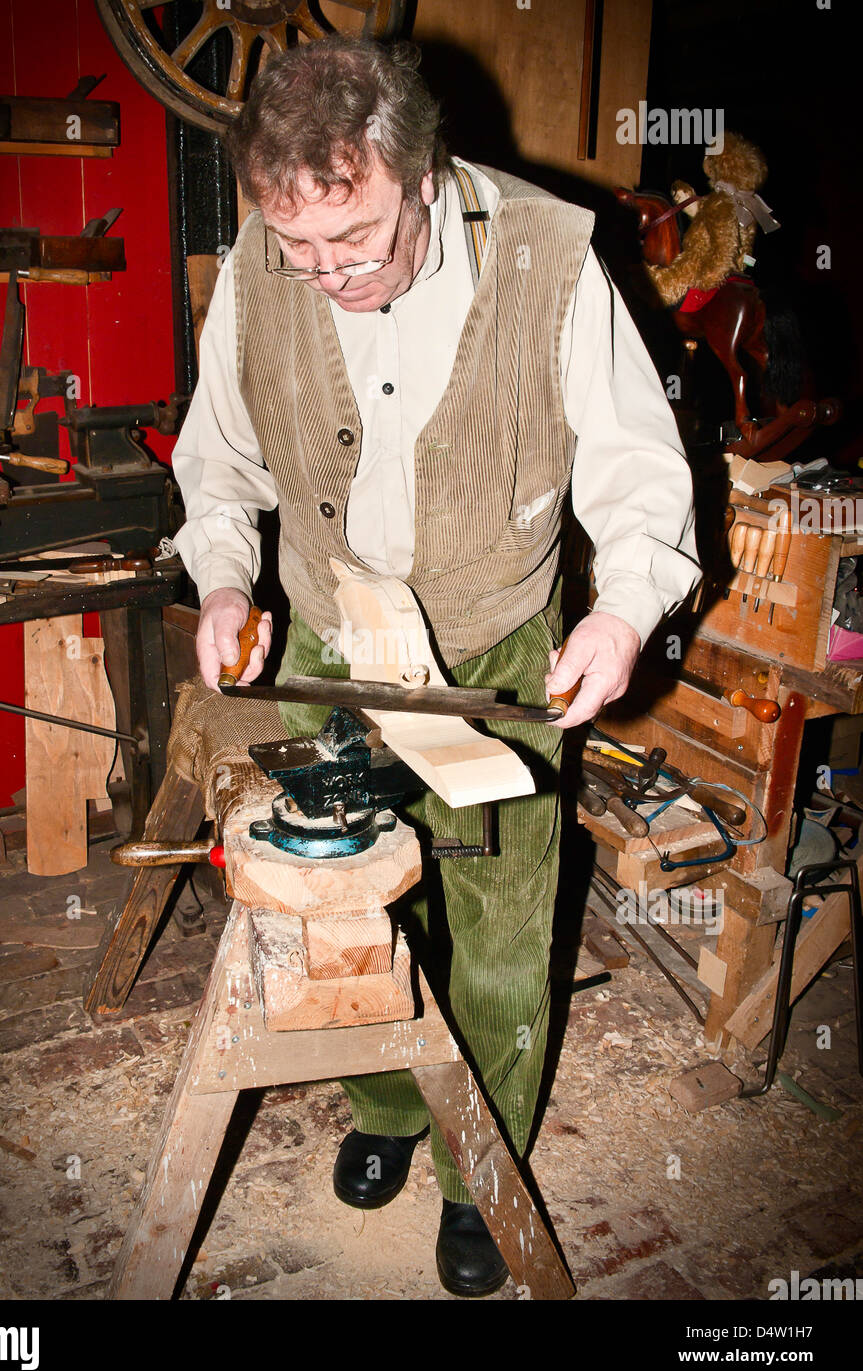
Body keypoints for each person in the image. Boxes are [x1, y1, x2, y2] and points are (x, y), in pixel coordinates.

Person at [172, 35, 699, 1297]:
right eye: (299, 249)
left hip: (496, 654)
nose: (326, 275)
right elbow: (222, 460)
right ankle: (393, 1106)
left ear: (421, 177)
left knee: (501, 930)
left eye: (352, 241)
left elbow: (641, 473)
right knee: (348, 908)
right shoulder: (267, 265)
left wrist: (622, 615)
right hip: (329, 645)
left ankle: (480, 1163)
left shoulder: (548, 257)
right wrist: (228, 579)